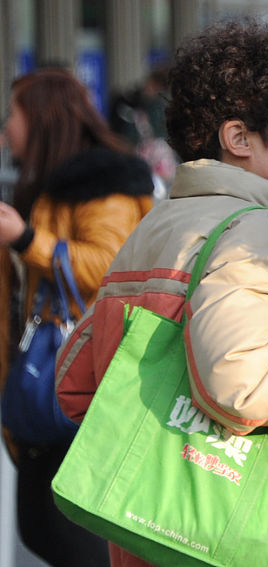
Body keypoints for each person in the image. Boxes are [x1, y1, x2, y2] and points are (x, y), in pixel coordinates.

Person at [55, 19, 268, 567]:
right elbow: (240, 384)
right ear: (239, 139)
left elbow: (74, 383)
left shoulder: (156, 224)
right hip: (228, 539)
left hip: (145, 534)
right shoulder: (255, 228)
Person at [0, 68, 154, 567]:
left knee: (70, 537)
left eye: (14, 115)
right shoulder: (48, 184)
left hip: (83, 382)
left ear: (42, 119)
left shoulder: (102, 182)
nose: (7, 128)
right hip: (49, 382)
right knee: (40, 529)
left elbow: (108, 266)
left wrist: (26, 239)